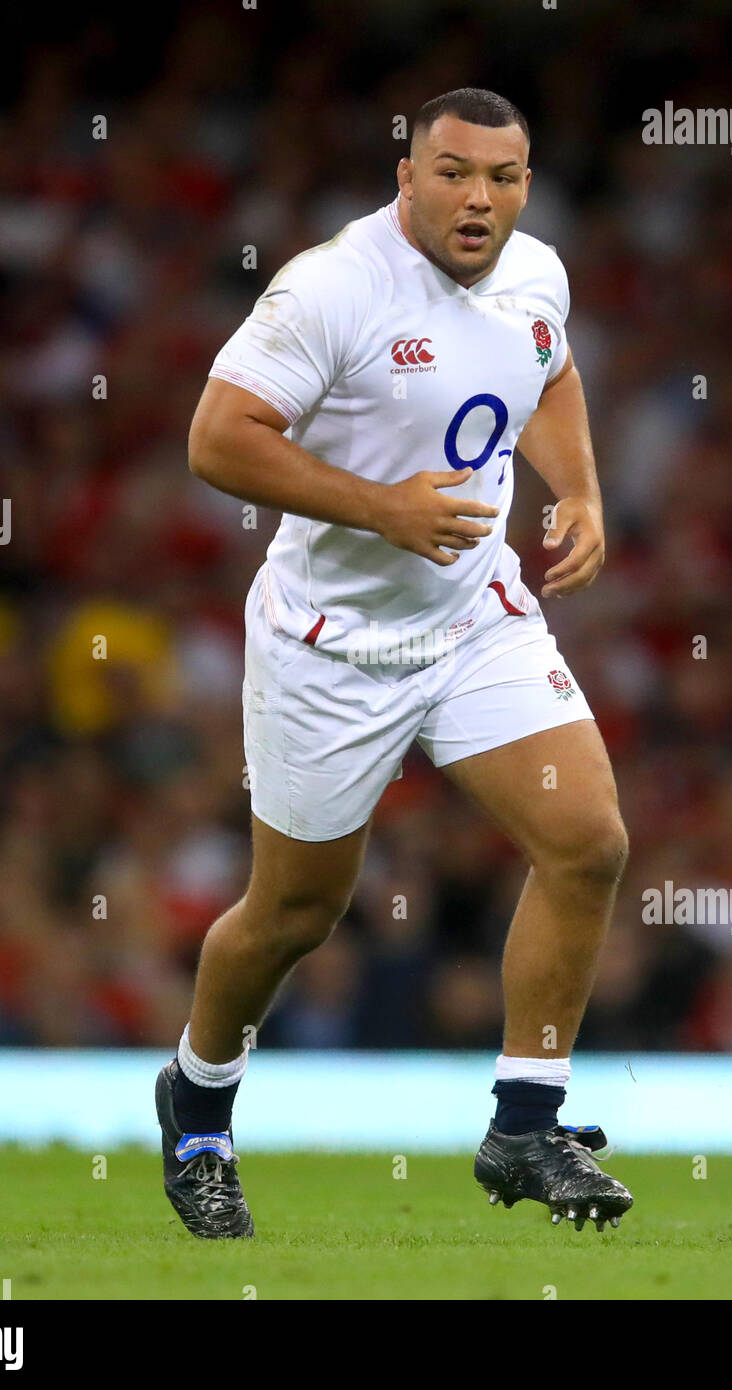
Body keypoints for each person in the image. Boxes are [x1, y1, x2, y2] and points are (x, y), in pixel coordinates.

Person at [155, 87, 632, 1238]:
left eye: (504, 177)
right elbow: (216, 439)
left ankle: (525, 1123)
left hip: (473, 619)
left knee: (587, 842)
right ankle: (198, 1103)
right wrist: (380, 509)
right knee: (294, 913)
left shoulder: (537, 274)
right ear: (407, 175)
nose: (479, 199)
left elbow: (548, 369)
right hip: (333, 647)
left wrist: (576, 486)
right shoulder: (331, 286)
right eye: (455, 172)